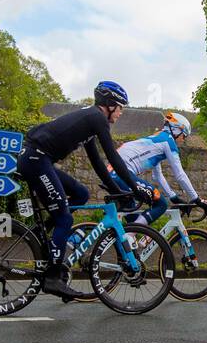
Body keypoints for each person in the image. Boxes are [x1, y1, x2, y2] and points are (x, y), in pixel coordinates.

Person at [17, 81, 158, 301]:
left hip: (38, 158)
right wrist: (135, 187)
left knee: (81, 194)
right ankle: (53, 278)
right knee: (64, 218)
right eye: (120, 107)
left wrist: (117, 190)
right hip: (36, 159)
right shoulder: (97, 118)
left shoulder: (91, 122)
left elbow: (99, 165)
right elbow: (113, 157)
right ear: (110, 104)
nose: (121, 112)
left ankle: (43, 235)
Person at [111, 111, 207, 226]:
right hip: (121, 174)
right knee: (161, 204)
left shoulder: (156, 140)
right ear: (176, 130)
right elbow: (180, 175)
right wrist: (197, 199)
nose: (183, 140)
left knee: (133, 220)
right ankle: (131, 234)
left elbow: (157, 176)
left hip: (112, 173)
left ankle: (126, 239)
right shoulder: (168, 141)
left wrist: (173, 197)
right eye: (184, 135)